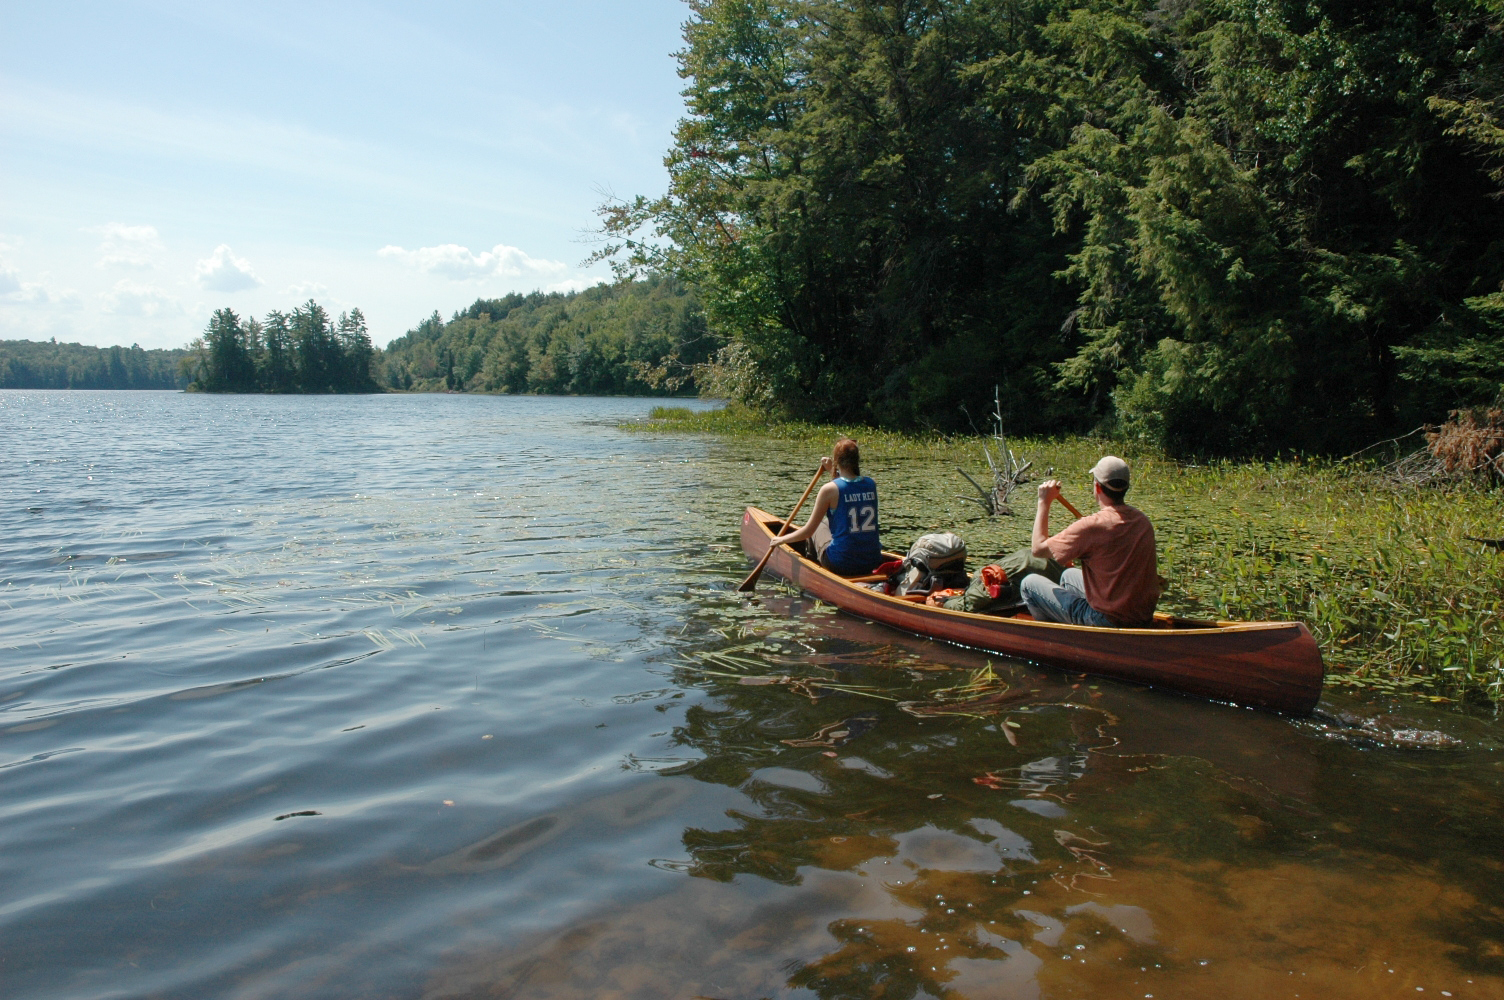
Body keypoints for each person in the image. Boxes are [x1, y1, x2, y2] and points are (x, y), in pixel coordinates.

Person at [1020, 455, 1159, 627]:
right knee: (1068, 576)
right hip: (1141, 615)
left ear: (1097, 487)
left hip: (1106, 620)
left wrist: (1044, 502)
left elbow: (1038, 549)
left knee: (1029, 584)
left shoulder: (1091, 526)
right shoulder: (1143, 521)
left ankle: (1057, 640)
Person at [767, 438, 883, 576]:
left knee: (819, 526)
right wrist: (832, 471)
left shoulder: (829, 490)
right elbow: (849, 487)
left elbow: (808, 531)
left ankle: (811, 571)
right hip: (872, 562)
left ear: (837, 460)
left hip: (841, 563)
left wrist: (781, 539)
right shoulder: (871, 484)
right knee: (830, 523)